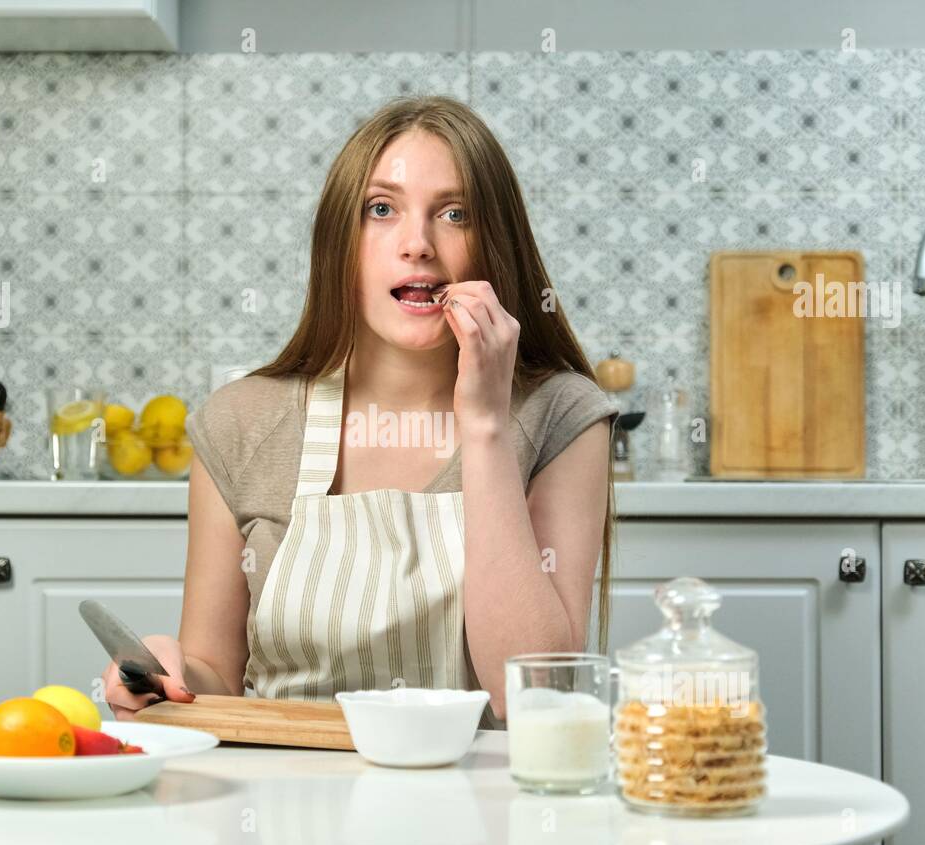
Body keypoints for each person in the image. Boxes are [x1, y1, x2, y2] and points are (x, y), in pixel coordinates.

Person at [104, 94, 616, 730]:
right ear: (339, 244)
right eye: (381, 210)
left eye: (455, 214)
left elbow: (535, 698)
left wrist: (485, 428)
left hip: (480, 813)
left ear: (497, 243)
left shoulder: (560, 416)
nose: (417, 244)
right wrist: (167, 676)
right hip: (282, 805)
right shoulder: (240, 423)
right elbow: (215, 674)